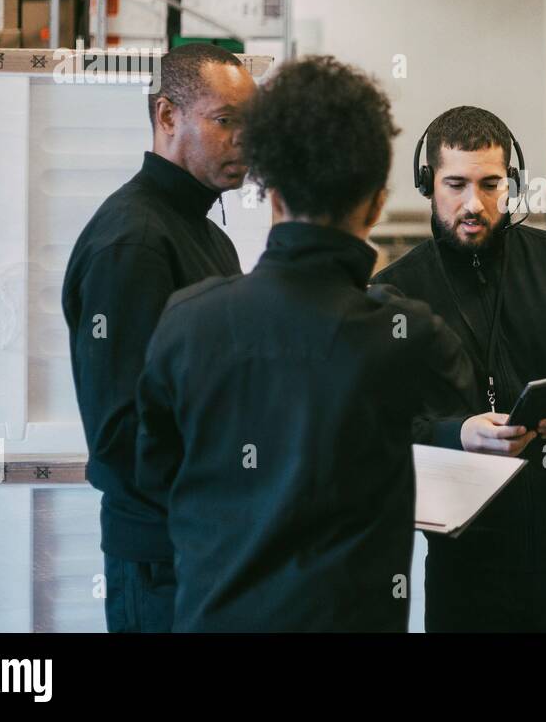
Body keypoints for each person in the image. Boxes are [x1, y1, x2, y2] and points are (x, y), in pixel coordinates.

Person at [134, 57, 472, 632]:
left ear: (270, 191)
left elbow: (153, 474)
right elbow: (456, 415)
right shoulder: (409, 335)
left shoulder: (187, 322)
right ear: (377, 202)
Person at [372, 106, 546, 632]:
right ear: (427, 184)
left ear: (513, 184)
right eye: (455, 184)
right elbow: (374, 428)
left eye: (491, 185)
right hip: (466, 573)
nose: (474, 204)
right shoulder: (394, 293)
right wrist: (455, 433)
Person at [61, 43, 256, 633]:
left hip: (210, 546)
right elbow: (122, 438)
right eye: (225, 121)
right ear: (167, 116)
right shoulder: (135, 243)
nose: (244, 140)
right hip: (164, 562)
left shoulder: (207, 235)